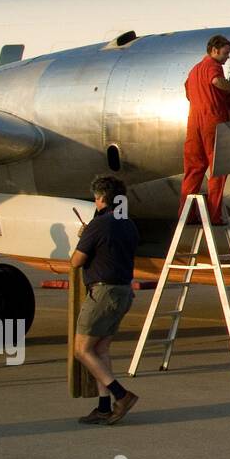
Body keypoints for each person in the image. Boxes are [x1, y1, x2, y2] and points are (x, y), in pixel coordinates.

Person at [71, 175, 141, 425]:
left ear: (101, 198)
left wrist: (85, 237)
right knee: (100, 349)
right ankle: (103, 406)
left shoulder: (98, 224)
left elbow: (76, 261)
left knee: (82, 350)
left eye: (96, 198)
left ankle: (121, 395)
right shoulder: (128, 224)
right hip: (123, 291)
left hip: (102, 293)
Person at [179, 34, 230, 226]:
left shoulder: (194, 70)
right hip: (212, 120)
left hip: (194, 123)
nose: (228, 57)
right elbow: (216, 81)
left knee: (194, 168)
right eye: (226, 53)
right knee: (218, 168)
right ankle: (214, 215)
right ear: (214, 50)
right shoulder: (213, 66)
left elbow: (189, 92)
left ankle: (186, 215)